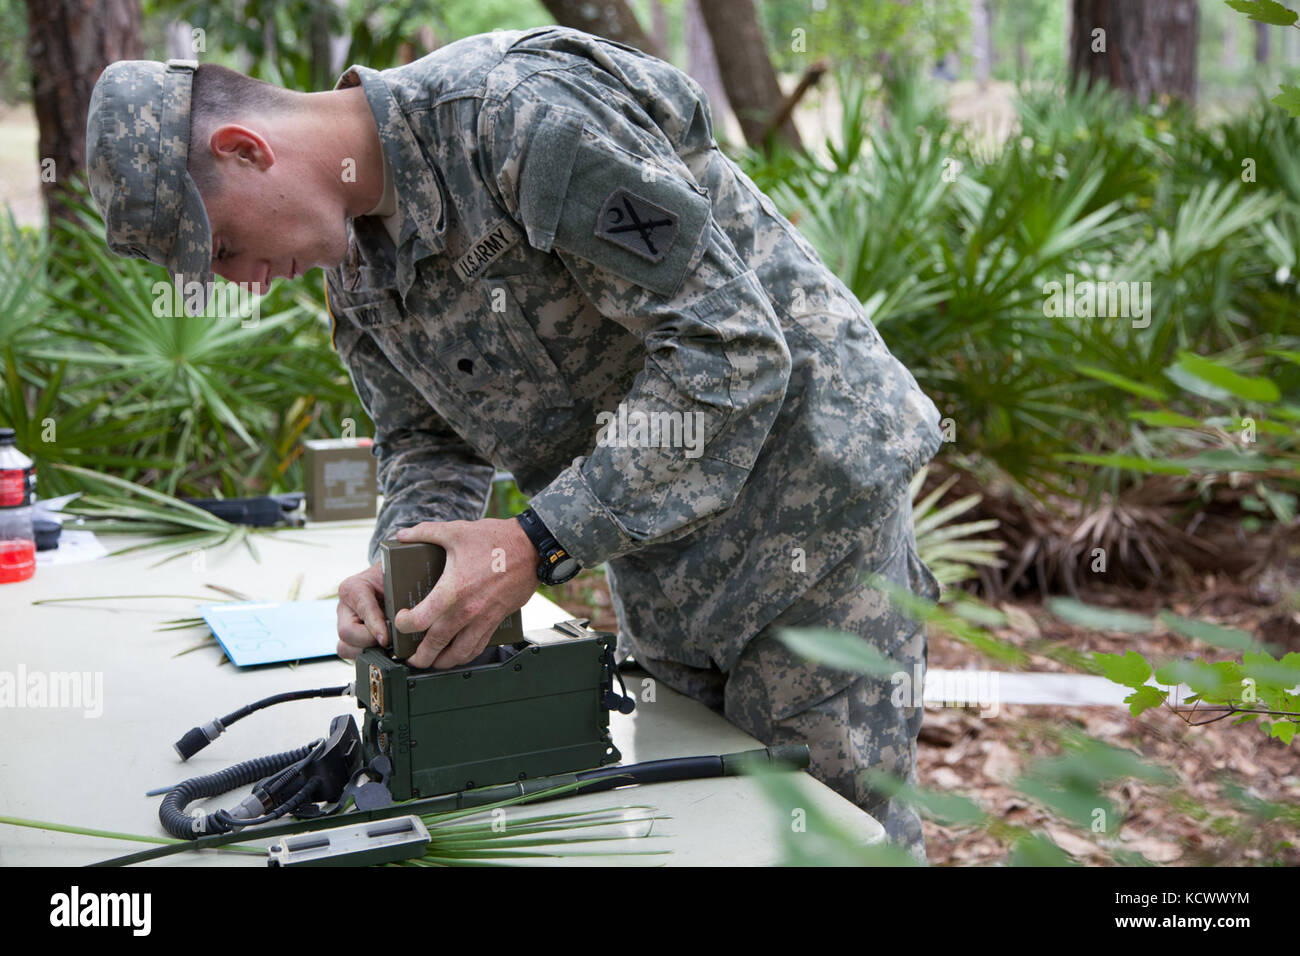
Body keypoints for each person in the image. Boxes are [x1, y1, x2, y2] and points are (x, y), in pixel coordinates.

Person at [85, 25, 945, 859]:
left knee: (832, 838)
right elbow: (428, 444)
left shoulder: (518, 116)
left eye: (225, 247)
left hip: (813, 520)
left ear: (245, 148)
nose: (245, 281)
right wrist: (406, 577)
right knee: (714, 833)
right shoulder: (351, 268)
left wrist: (533, 543)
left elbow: (733, 350)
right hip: (659, 558)